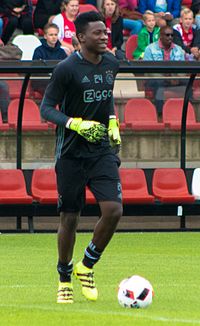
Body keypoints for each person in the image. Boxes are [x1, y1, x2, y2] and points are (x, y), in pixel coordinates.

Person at [40, 11, 122, 304]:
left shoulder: (112, 62)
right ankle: (64, 277)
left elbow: (106, 93)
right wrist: (75, 123)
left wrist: (111, 120)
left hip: (101, 150)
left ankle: (86, 265)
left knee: (113, 210)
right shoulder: (66, 69)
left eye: (105, 32)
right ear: (81, 38)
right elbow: (46, 108)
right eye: (98, 33)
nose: (104, 37)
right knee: (70, 218)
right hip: (71, 154)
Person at [143, 25, 185, 114]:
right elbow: (149, 71)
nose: (170, 37)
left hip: (174, 79)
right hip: (155, 80)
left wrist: (175, 78)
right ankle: (160, 114)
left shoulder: (179, 49)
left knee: (188, 83)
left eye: (172, 35)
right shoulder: (150, 49)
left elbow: (183, 70)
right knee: (159, 83)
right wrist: (167, 79)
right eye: (167, 35)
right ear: (160, 36)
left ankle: (188, 112)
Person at [32, 23, 67, 96]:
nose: (54, 37)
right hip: (42, 82)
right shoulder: (38, 51)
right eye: (51, 35)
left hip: (58, 81)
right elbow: (36, 71)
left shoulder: (62, 52)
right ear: (45, 36)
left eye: (55, 35)